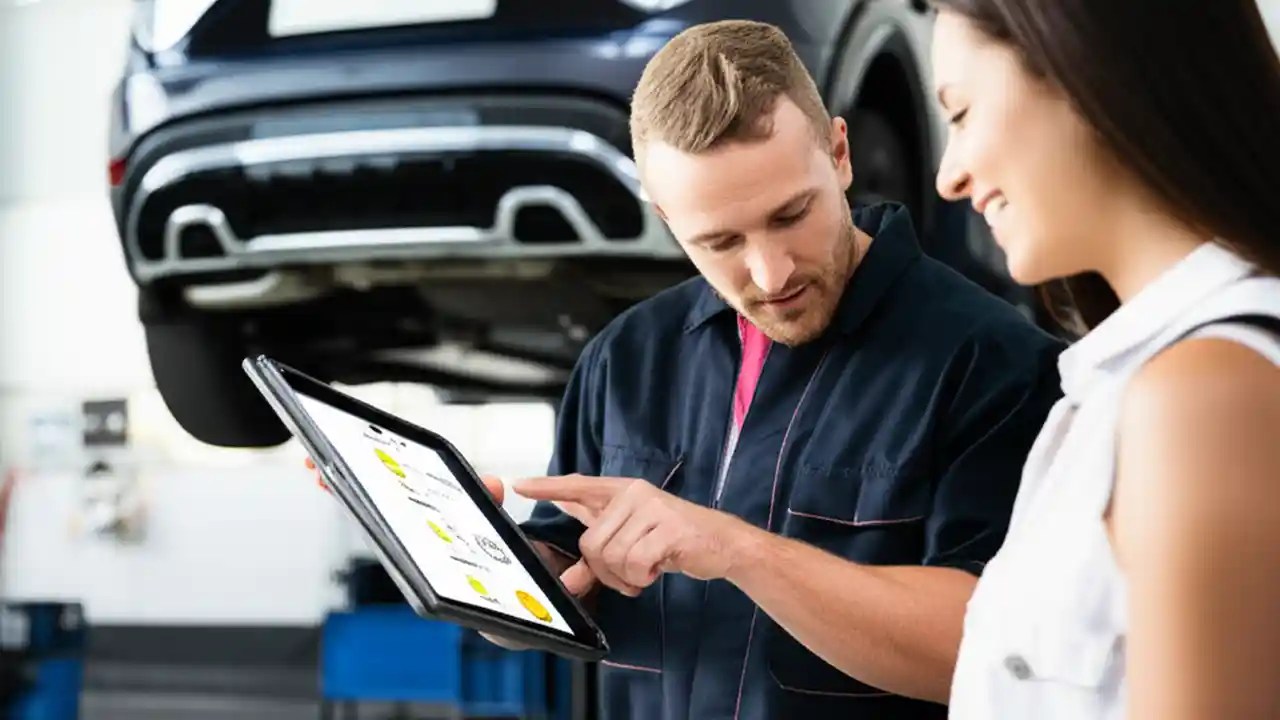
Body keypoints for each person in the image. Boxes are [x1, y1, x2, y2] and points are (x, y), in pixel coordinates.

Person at [502, 19, 1064, 720]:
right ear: (667, 219)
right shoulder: (623, 360)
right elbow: (562, 565)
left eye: (792, 214)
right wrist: (488, 567)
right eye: (720, 241)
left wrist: (735, 548)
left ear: (840, 154)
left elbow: (997, 651)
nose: (770, 273)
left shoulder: (994, 366)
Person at [922, 1, 1280, 718]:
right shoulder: (1132, 387)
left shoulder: (1203, 395)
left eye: (960, 115)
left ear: (1080, 71)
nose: (949, 177)